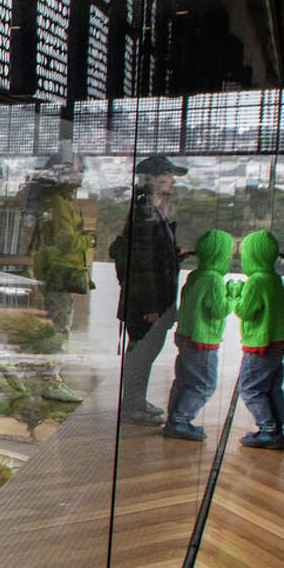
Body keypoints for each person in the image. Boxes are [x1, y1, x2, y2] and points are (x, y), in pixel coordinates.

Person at [113, 156, 187, 425]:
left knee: (144, 354)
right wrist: (150, 306)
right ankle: (132, 405)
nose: (172, 181)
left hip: (148, 303)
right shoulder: (144, 211)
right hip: (145, 307)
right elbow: (141, 263)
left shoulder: (152, 210)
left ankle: (136, 401)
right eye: (168, 175)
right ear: (154, 180)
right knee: (141, 354)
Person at [163, 230, 235, 441]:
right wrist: (232, 296)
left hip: (186, 337)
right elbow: (218, 311)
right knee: (204, 384)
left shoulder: (196, 275)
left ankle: (174, 419)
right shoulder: (214, 280)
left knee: (183, 380)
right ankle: (180, 421)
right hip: (203, 342)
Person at [227, 229, 284, 449]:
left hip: (259, 346)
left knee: (250, 389)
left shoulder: (256, 282)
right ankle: (276, 429)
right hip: (278, 344)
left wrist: (236, 295)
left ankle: (268, 430)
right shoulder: (276, 280)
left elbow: (245, 311)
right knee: (273, 388)